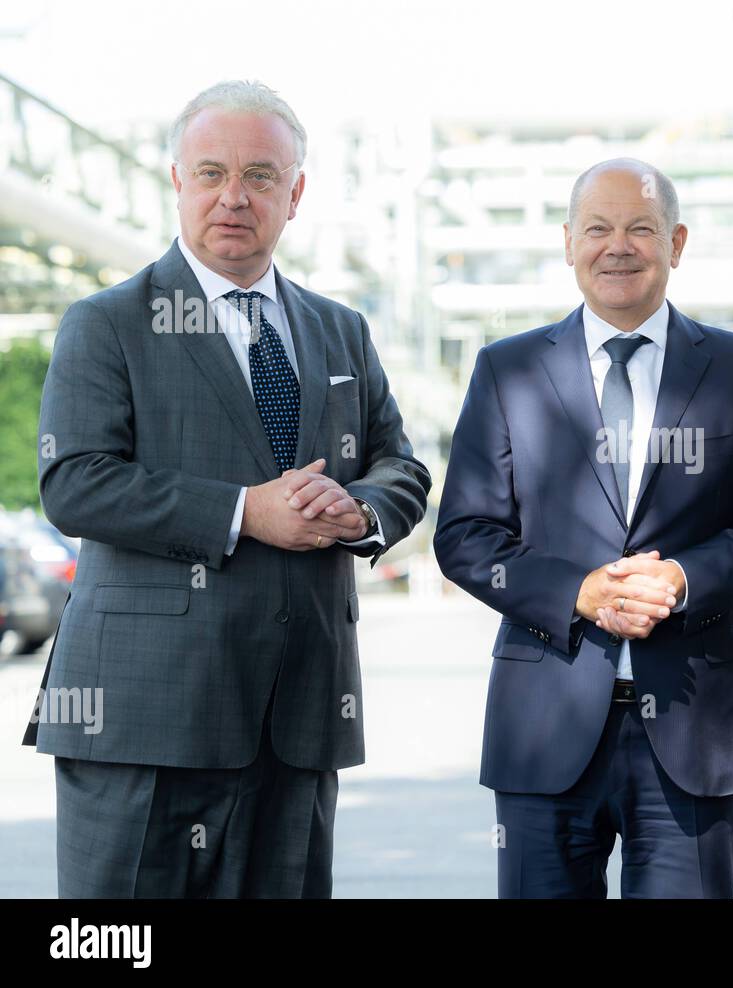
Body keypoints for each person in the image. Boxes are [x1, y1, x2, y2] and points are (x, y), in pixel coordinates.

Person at [24, 80, 430, 898]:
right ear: (178, 181)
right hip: (148, 714)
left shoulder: (340, 329)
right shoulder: (107, 322)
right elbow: (74, 482)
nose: (234, 197)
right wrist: (248, 512)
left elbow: (401, 467)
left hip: (300, 713)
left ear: (297, 193)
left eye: (260, 176)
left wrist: (360, 513)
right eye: (211, 174)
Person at [434, 158, 733, 898]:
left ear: (675, 243)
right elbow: (466, 535)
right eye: (598, 229)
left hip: (691, 724)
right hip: (544, 725)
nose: (619, 246)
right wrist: (577, 591)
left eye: (641, 228)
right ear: (568, 242)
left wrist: (681, 578)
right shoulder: (506, 371)